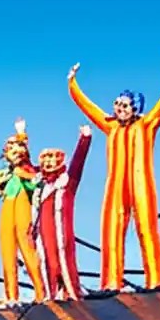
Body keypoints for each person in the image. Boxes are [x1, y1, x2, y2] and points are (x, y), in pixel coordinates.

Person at [68, 46, 160, 294]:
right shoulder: (110, 127)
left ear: (135, 108)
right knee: (111, 227)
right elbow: (89, 108)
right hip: (115, 186)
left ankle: (155, 277)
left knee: (145, 225)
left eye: (124, 105)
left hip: (140, 183)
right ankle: (111, 280)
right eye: (117, 104)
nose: (119, 109)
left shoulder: (146, 125)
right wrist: (72, 85)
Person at [30, 125, 93, 301]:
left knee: (64, 257)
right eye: (45, 159)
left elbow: (78, 162)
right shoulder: (40, 187)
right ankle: (51, 293)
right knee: (48, 260)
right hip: (43, 231)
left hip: (61, 229)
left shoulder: (67, 182)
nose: (49, 163)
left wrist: (85, 139)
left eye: (52, 158)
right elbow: (25, 166)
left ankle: (71, 291)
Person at [0, 118, 46, 307]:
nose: (14, 152)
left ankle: (41, 290)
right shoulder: (7, 174)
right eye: (10, 149)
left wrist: (21, 133)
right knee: (7, 251)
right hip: (8, 205)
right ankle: (11, 295)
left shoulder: (26, 169)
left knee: (26, 247)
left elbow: (31, 171)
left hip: (22, 204)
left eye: (17, 148)